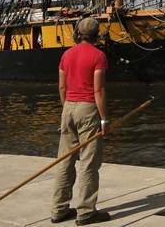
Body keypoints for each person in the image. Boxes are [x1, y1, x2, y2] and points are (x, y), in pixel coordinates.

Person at [51, 18, 109, 225]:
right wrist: (104, 119)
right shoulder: (99, 56)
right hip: (88, 109)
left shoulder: (66, 54)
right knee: (88, 163)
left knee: (65, 160)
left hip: (68, 107)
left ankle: (59, 209)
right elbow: (98, 90)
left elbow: (61, 87)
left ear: (78, 33)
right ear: (97, 34)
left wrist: (66, 108)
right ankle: (86, 211)